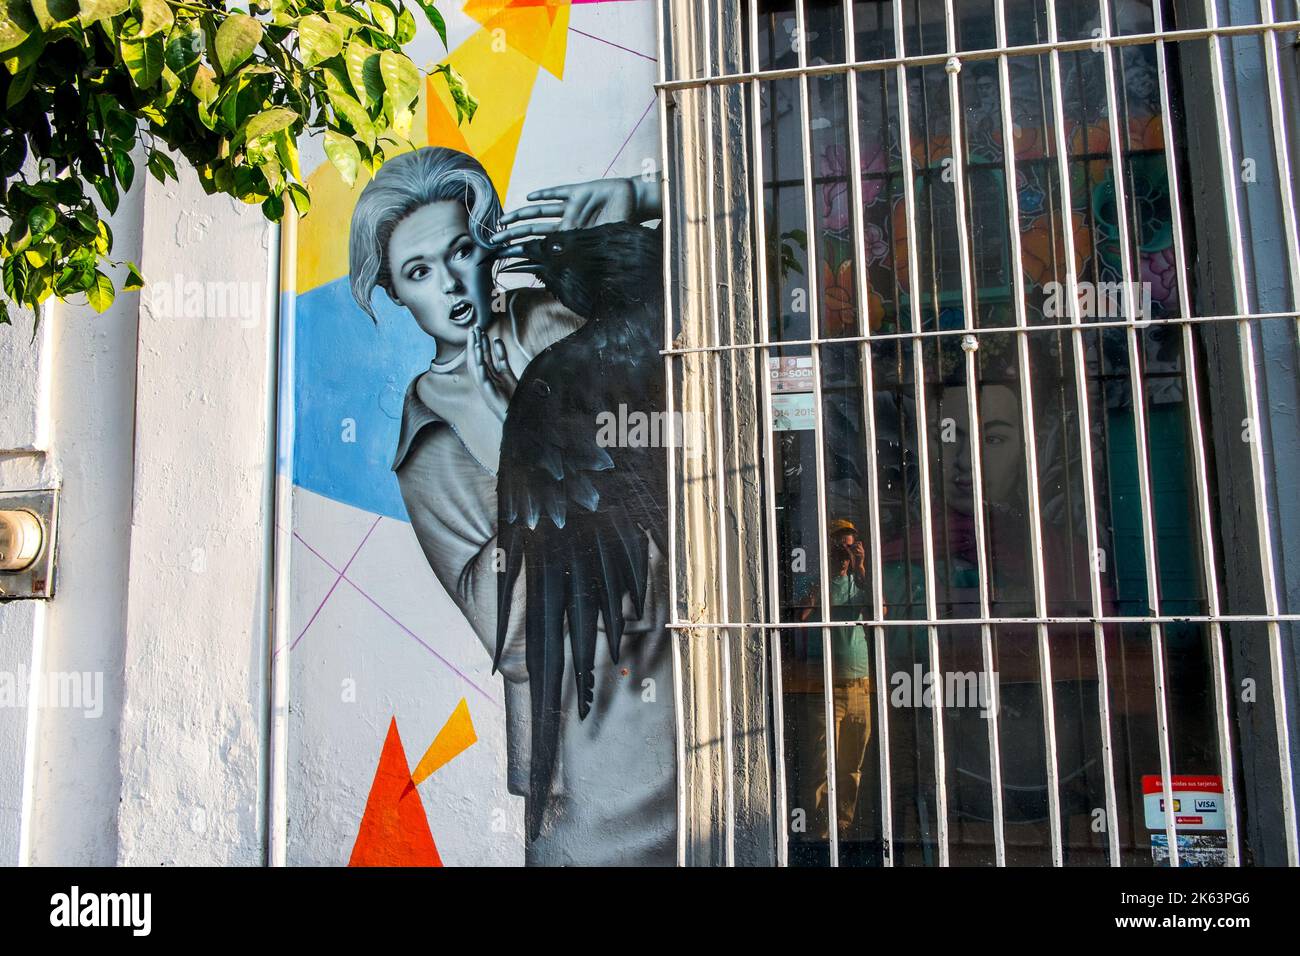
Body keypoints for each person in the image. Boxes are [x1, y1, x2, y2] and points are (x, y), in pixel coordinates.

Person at [349, 147, 672, 864]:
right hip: (584, 744)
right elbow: (511, 622)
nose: (453, 285)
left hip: (690, 686)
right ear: (398, 294)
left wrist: (636, 195)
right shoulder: (427, 440)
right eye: (419, 272)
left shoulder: (552, 321)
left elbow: (702, 282)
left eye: (462, 250)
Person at [787, 518, 875, 852]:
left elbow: (880, 613)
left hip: (859, 685)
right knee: (821, 762)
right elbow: (801, 616)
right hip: (824, 686)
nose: (845, 553)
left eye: (850, 545)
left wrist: (862, 568)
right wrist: (828, 577)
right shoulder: (816, 581)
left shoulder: (860, 582)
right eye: (840, 546)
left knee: (852, 764)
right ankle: (820, 834)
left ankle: (844, 827)